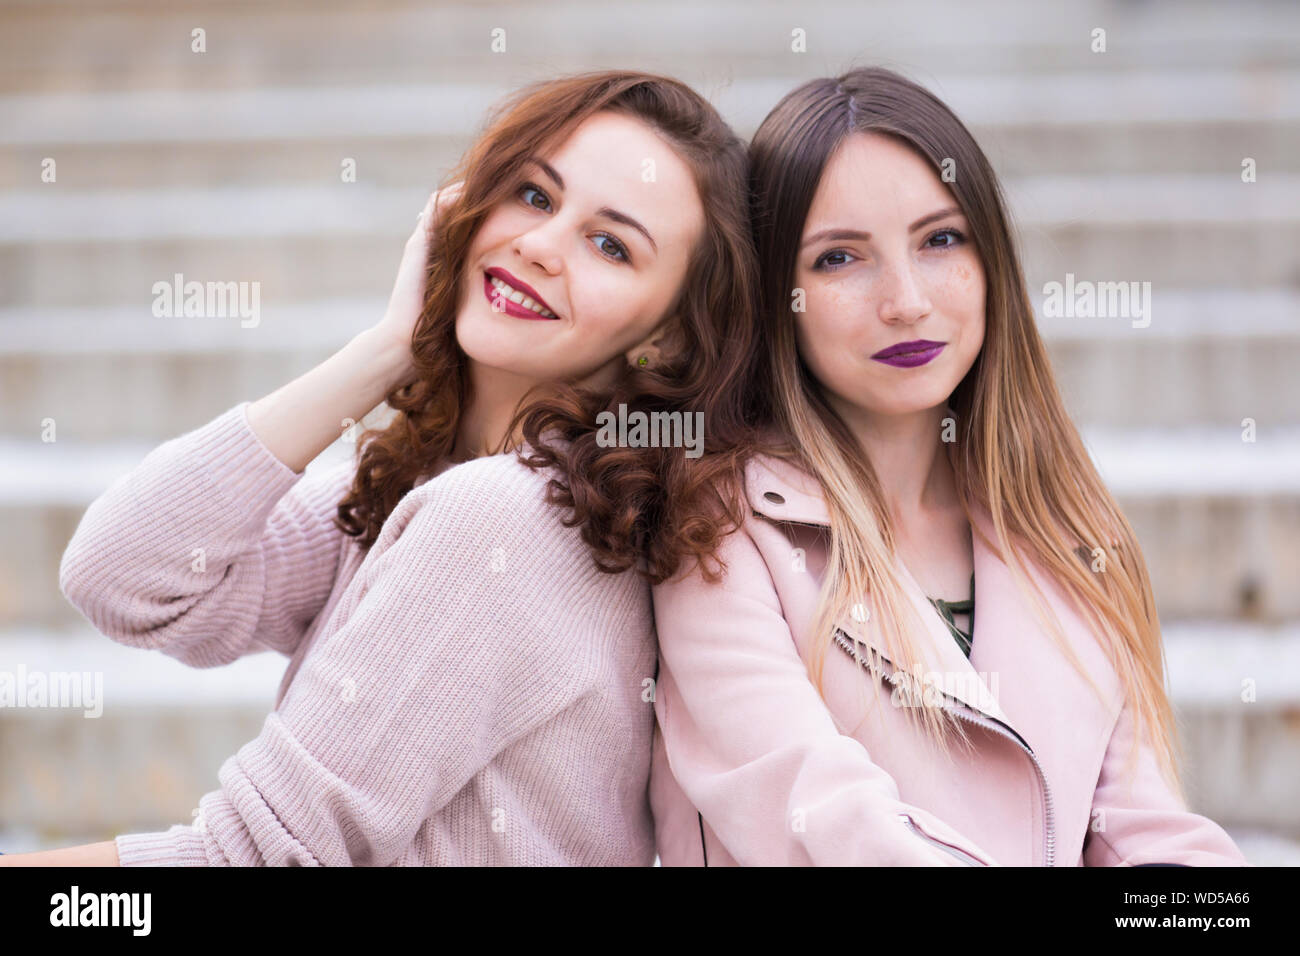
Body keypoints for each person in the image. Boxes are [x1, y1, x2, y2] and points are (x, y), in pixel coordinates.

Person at [4, 70, 759, 866]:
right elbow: (122, 576)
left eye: (610, 245)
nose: (539, 246)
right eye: (533, 196)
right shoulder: (449, 483)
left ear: (666, 339)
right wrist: (386, 348)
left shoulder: (506, 520)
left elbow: (253, 859)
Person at [648, 67, 1249, 866]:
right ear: (771, 296)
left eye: (940, 239)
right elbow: (826, 820)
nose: (906, 300)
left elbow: (1148, 838)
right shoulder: (722, 530)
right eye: (838, 259)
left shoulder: (1062, 532)